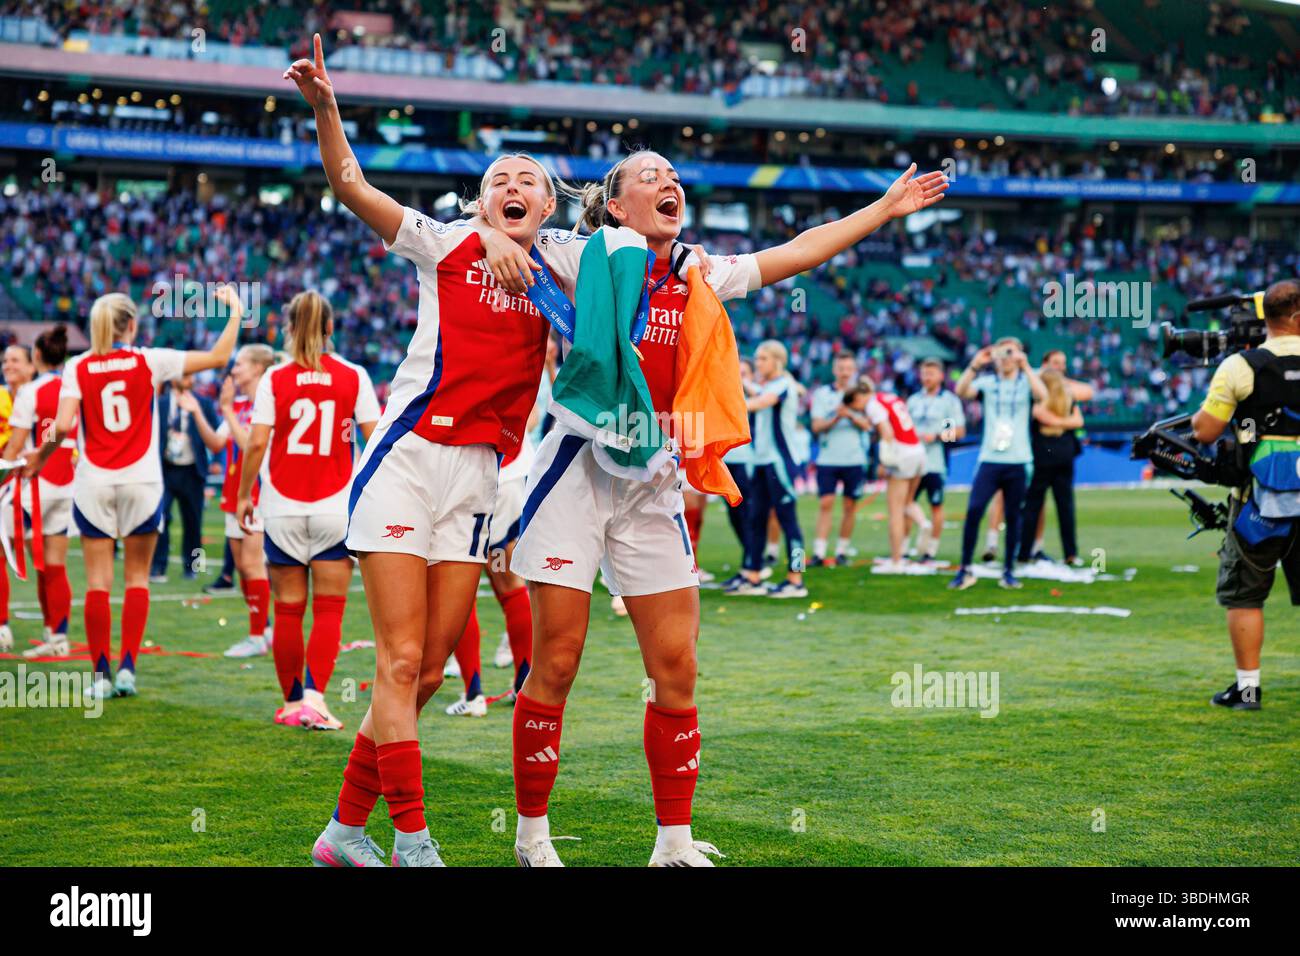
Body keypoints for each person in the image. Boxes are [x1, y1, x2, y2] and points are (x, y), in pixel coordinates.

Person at [506, 149, 947, 866]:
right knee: (556, 659)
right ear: (616, 206)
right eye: (650, 176)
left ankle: (673, 842)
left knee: (676, 667)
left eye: (674, 176)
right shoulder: (575, 253)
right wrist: (498, 230)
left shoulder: (699, 271)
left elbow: (798, 252)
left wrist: (884, 210)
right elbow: (497, 235)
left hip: (653, 477)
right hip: (575, 470)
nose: (669, 182)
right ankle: (530, 837)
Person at [285, 34, 581, 867]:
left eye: (529, 180)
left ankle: (342, 833)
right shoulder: (444, 242)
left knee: (423, 679)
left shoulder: (564, 263)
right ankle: (412, 841)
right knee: (403, 655)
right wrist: (328, 110)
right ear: (481, 202)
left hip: (480, 477)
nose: (514, 185)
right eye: (500, 180)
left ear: (548, 208)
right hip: (408, 460)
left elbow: (642, 258)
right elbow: (351, 185)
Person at [25, 288, 242, 699]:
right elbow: (216, 357)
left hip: (94, 482)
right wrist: (235, 313)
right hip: (142, 480)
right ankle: (127, 669)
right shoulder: (149, 359)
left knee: (97, 582)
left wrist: (41, 452)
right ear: (133, 325)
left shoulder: (78, 366)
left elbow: (63, 425)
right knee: (138, 578)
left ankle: (101, 675)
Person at [235, 291, 380, 730]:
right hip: (336, 507)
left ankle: (292, 703)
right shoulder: (354, 375)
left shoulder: (274, 379)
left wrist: (245, 494)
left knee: (289, 610)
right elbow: (375, 440)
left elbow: (257, 442)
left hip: (282, 507)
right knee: (330, 610)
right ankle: (316, 697)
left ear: (289, 329)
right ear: (331, 329)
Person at [1191, 279, 1300, 711]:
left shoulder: (1240, 366)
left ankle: (1248, 690)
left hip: (1260, 500)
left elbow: (1205, 431)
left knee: (1245, 594)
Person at [191, 348, 275, 658]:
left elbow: (251, 445)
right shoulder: (238, 405)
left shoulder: (268, 404)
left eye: (239, 364)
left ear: (256, 368)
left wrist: (225, 409)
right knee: (242, 567)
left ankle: (257, 636)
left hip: (257, 493)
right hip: (234, 491)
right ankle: (264, 630)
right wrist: (196, 411)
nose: (233, 370)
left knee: (253, 565)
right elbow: (216, 442)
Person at [949, 337, 1046, 591]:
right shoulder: (988, 382)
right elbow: (960, 391)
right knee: (974, 510)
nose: (1005, 358)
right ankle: (965, 568)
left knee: (1014, 516)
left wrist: (1025, 366)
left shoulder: (1027, 380)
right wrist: (974, 364)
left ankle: (1009, 570)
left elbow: (1042, 396)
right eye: (1001, 353)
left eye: (1010, 352)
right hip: (990, 458)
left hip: (1018, 459)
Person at [4, 327, 75, 658]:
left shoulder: (30, 392)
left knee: (18, 555)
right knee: (55, 564)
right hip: (69, 484)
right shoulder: (73, 387)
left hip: (36, 484)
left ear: (36, 357)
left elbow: (16, 445)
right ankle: (58, 637)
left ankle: (6, 626)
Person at [738, 340, 808, 597]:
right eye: (756, 359)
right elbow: (755, 393)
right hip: (761, 461)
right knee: (756, 519)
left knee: (789, 522)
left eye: (762, 358)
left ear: (777, 361)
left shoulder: (783, 385)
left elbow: (757, 403)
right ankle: (753, 576)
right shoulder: (768, 385)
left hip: (780, 462)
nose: (758, 364)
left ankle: (796, 580)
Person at [1020, 349, 1094, 562]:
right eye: (1056, 363)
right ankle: (1070, 553)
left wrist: (1054, 421)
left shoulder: (1039, 395)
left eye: (1063, 363)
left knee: (1034, 503)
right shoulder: (1065, 395)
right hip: (1064, 451)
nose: (1060, 367)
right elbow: (1078, 420)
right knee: (1064, 505)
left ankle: (1024, 552)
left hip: (1043, 452)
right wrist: (1064, 422)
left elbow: (1041, 416)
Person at [151, 374, 219, 583]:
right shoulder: (160, 404)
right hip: (166, 469)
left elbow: (216, 431)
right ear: (173, 378)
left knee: (194, 522)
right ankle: (157, 566)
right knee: (161, 518)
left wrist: (217, 459)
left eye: (191, 375)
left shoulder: (203, 403)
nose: (190, 378)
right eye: (185, 374)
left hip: (192, 470)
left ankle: (195, 567)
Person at [809, 352, 870, 567]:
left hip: (854, 459)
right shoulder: (822, 394)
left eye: (848, 369)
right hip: (828, 458)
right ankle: (819, 551)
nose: (844, 373)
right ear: (834, 370)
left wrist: (851, 415)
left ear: (854, 371)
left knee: (850, 506)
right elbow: (816, 426)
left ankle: (842, 551)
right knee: (826, 503)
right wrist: (836, 416)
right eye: (841, 368)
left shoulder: (863, 394)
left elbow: (870, 426)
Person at [861, 379, 928, 571]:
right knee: (908, 503)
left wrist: (883, 462)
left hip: (907, 455)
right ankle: (921, 526)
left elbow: (888, 433)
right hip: (919, 450)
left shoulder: (875, 404)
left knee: (896, 510)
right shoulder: (901, 398)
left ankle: (897, 559)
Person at [906, 358, 966, 561]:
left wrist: (937, 435)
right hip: (911, 461)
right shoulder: (913, 400)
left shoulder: (948, 401)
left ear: (941, 376)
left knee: (936, 505)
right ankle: (903, 548)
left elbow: (957, 431)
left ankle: (930, 550)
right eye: (924, 373)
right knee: (907, 503)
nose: (927, 377)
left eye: (931, 373)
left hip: (935, 461)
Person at [0, 343, 35, 651]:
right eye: (5, 360)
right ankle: (2, 625)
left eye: (15, 360)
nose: (8, 365)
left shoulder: (43, 395)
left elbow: (55, 433)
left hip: (39, 486)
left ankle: (56, 632)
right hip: (5, 486)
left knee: (46, 558)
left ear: (31, 365)